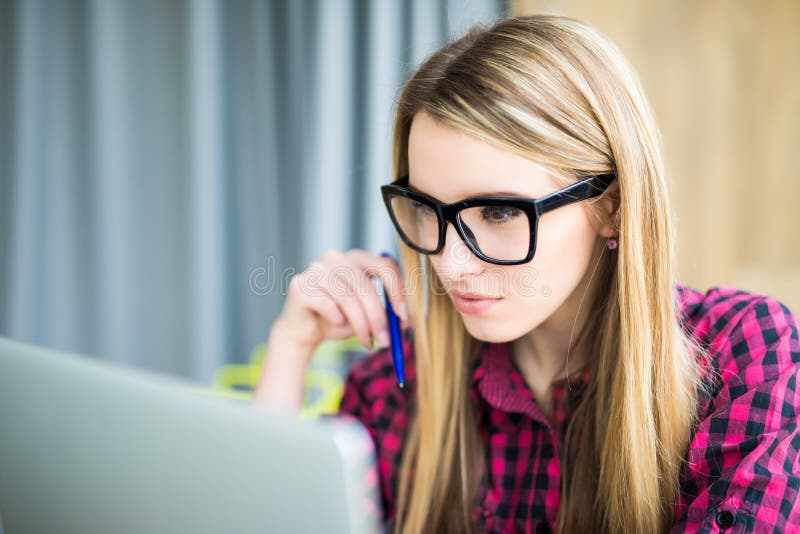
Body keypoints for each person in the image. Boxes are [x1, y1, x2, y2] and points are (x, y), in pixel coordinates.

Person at [253, 14, 800, 534]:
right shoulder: (395, 389)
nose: (450, 264)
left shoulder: (742, 358)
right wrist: (291, 346)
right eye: (426, 208)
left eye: (499, 213)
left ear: (610, 204)